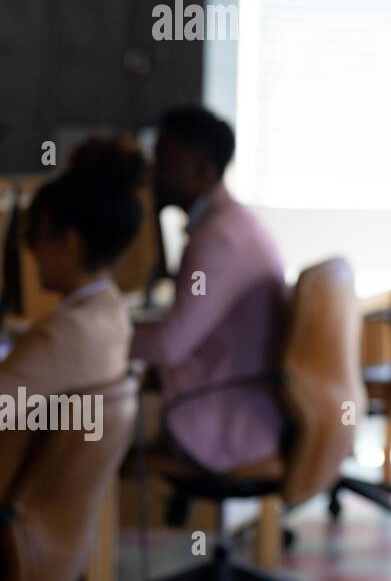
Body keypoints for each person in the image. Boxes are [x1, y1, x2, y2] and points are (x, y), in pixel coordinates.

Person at [130, 106, 287, 474]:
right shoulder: (234, 223)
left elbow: (169, 346)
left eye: (165, 162)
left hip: (220, 416)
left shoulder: (217, 239)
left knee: (91, 430)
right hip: (245, 403)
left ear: (202, 171)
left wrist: (94, 338)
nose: (154, 174)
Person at [0, 137, 144, 499]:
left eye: (35, 234)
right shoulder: (111, 313)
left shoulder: (63, 334)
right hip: (59, 509)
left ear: (71, 242)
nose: (29, 249)